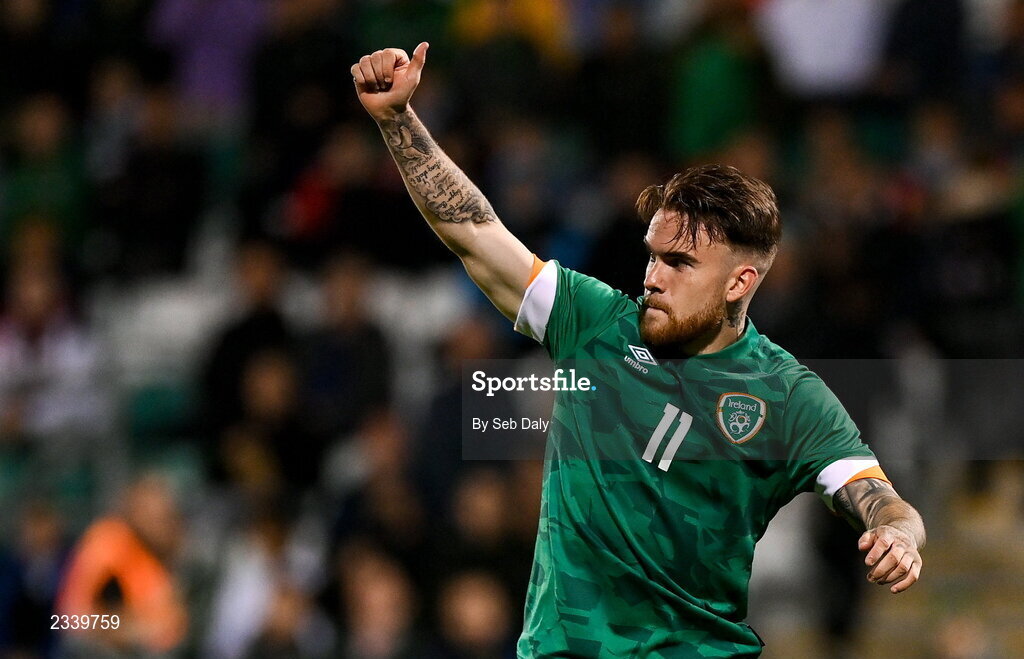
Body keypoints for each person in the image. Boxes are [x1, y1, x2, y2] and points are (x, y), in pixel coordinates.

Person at [351, 43, 926, 657]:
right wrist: (397, 120)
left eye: (679, 263)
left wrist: (896, 535)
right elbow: (473, 229)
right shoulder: (594, 322)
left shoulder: (787, 396)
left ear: (740, 282)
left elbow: (882, 499)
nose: (653, 276)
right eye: (653, 255)